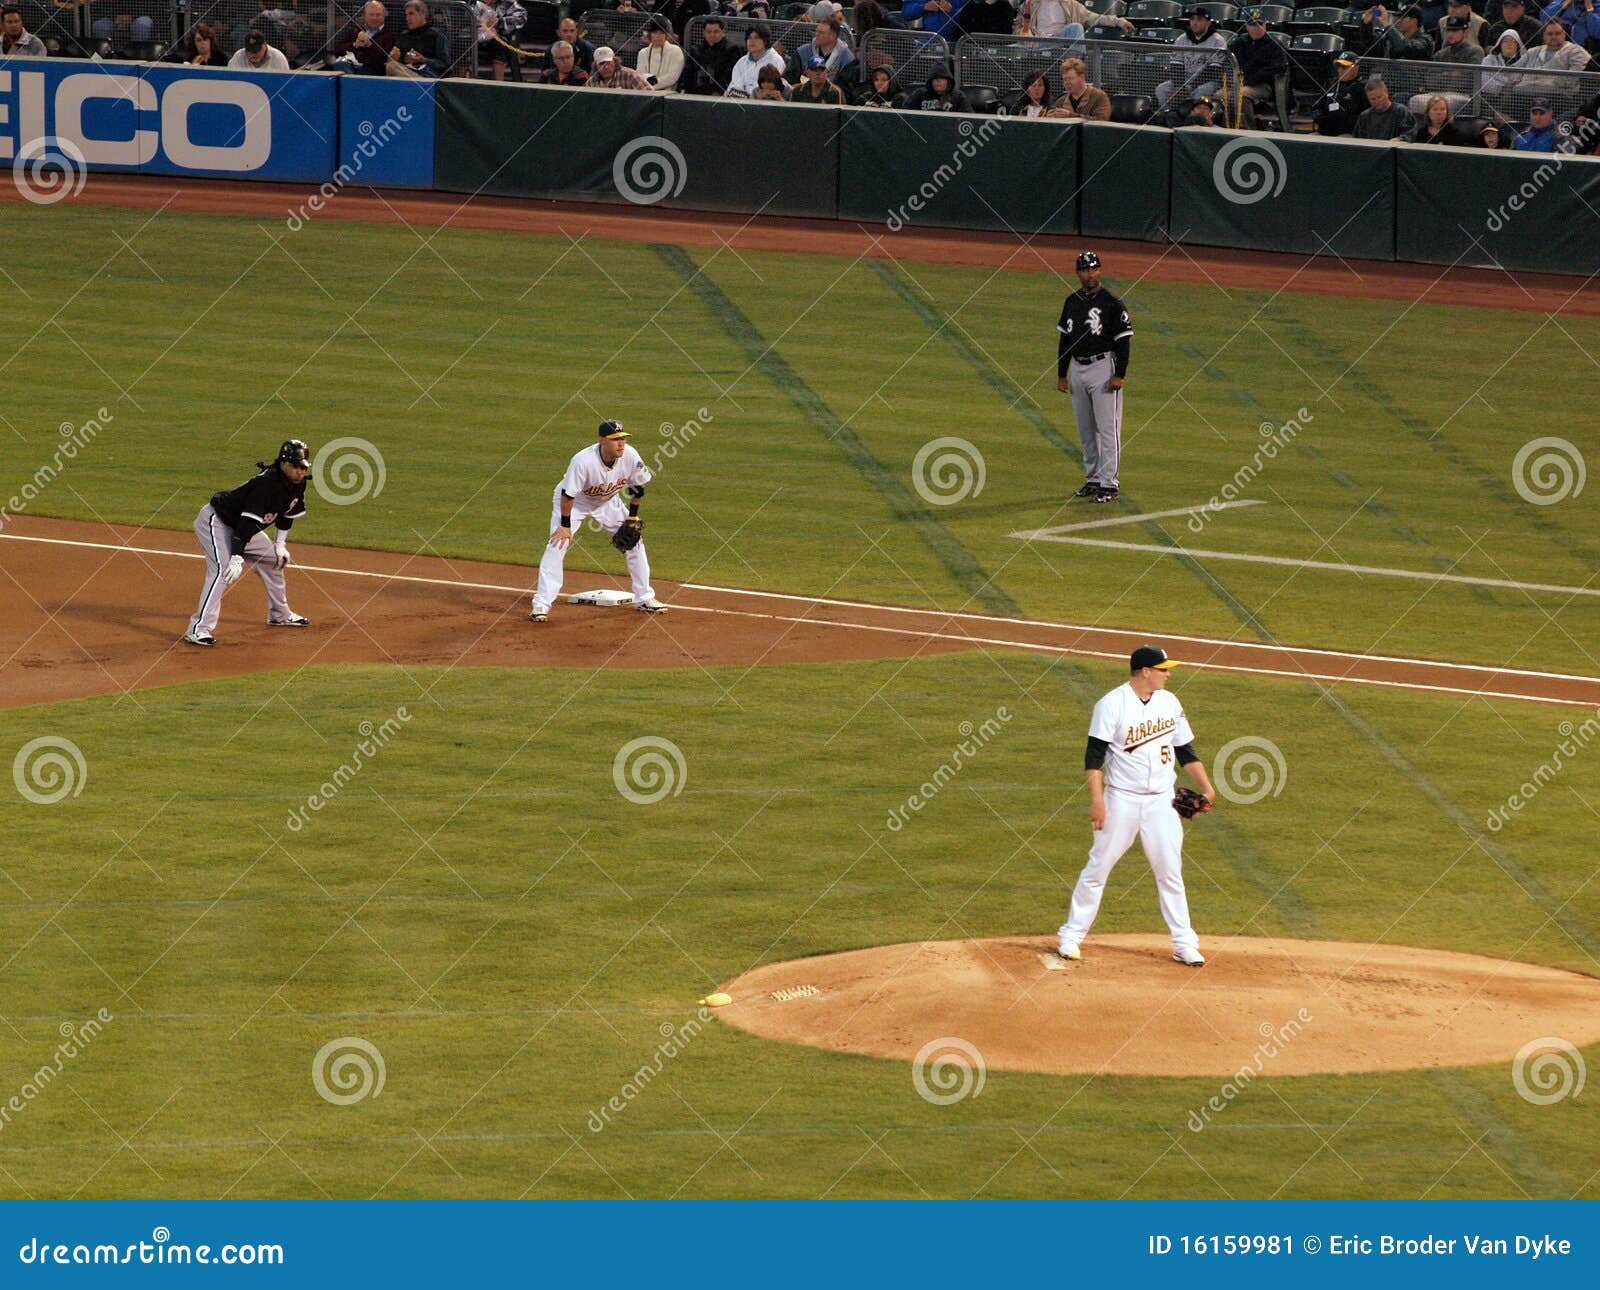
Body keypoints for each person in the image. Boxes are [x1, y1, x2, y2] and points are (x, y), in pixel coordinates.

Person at [1055, 645, 1215, 968]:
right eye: (1163, 669)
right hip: (1121, 800)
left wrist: (1208, 787)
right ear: (1145, 671)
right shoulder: (1112, 705)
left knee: (1170, 871)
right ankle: (1071, 935)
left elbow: (1185, 751)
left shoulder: (1170, 702)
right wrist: (1098, 800)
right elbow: (1094, 756)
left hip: (1161, 801)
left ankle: (1184, 943)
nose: (1168, 674)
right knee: (1098, 867)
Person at [530, 422, 667, 622]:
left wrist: (632, 517)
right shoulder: (583, 461)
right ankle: (541, 604)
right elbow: (568, 496)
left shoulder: (630, 455)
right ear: (602, 441)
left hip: (608, 501)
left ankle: (645, 598)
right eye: (615, 439)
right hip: (575, 503)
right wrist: (565, 526)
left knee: (634, 542)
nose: (621, 443)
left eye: (623, 438)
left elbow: (638, 486)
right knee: (557, 545)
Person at [184, 441, 314, 647]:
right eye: (297, 466)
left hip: (242, 529)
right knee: (223, 570)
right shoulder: (266, 485)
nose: (301, 471)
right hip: (217, 521)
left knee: (273, 560)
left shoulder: (297, 484)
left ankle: (279, 615)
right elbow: (245, 525)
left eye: (304, 467)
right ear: (283, 463)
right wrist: (236, 557)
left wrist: (280, 544)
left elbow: (287, 514)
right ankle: (198, 629)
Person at [1056, 250, 1131, 503]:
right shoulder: (1072, 301)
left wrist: (1119, 374)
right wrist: (1061, 374)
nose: (1090, 274)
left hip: (1103, 368)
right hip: (1077, 368)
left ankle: (1109, 484)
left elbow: (1124, 341)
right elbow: (1065, 339)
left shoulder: (1112, 302)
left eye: (1094, 268)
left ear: (1100, 271)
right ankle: (1093, 479)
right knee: (1086, 429)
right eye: (1086, 269)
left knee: (1108, 429)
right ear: (1078, 273)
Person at [1228, 9, 1290, 129]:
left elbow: (1280, 68)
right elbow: (1227, 58)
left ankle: (1250, 130)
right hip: (1240, 83)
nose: (1256, 28)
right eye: (1252, 25)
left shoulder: (1274, 44)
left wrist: (1251, 79)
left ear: (1265, 25)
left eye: (1259, 24)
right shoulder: (1240, 42)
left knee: (1241, 94)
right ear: (1246, 26)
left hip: (1265, 86)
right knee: (1220, 94)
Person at [1156, 8, 1228, 110]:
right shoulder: (1182, 39)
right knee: (1162, 89)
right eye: (1192, 19)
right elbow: (1176, 65)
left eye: (1199, 19)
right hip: (1184, 79)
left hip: (1209, 80)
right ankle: (1169, 114)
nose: (1194, 23)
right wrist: (1179, 87)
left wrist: (1191, 86)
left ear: (1208, 23)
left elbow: (1214, 70)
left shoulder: (1218, 41)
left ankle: (1195, 118)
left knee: (1201, 91)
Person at [334, 0, 397, 73]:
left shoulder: (389, 35)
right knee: (341, 64)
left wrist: (369, 45)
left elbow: (385, 59)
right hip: (351, 67)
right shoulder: (356, 31)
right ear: (364, 16)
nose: (374, 18)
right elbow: (337, 50)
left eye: (378, 14)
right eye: (371, 15)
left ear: (383, 16)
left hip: (374, 71)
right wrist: (354, 45)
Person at [388, 1, 448, 77]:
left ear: (423, 14)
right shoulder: (404, 35)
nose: (407, 18)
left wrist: (424, 60)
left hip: (428, 77)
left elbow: (445, 64)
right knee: (391, 64)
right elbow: (397, 61)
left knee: (392, 67)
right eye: (406, 15)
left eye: (411, 14)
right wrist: (394, 57)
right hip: (406, 73)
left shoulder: (437, 35)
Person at [1314, 54, 1367, 134]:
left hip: (1347, 133)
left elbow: (1365, 115)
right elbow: (1318, 107)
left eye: (1344, 67)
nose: (1340, 70)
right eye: (1339, 67)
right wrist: (1319, 117)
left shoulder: (1363, 87)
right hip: (1325, 131)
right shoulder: (1331, 84)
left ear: (1356, 68)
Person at [1021, 0, 1133, 37]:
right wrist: (1026, 36)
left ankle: (1075, 68)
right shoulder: (1029, 4)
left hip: (1060, 40)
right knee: (1008, 48)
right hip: (1037, 40)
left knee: (1076, 27)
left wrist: (1118, 21)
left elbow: (1094, 18)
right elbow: (1018, 28)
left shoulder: (1072, 5)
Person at [727, 24, 786, 94]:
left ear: (765, 41)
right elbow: (735, 86)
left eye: (756, 38)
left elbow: (775, 87)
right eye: (749, 38)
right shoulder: (741, 62)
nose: (752, 41)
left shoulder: (776, 60)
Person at [474, 0, 526, 80]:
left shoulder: (508, 3)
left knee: (500, 49)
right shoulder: (474, 3)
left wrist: (499, 23)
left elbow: (521, 17)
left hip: (496, 37)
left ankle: (498, 86)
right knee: (461, 44)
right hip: (473, 36)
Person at [1523, 16, 1593, 74]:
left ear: (1564, 34)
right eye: (1550, 34)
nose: (1553, 37)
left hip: (1556, 90)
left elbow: (1574, 78)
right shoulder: (1532, 52)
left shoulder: (1577, 52)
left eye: (1558, 33)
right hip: (1521, 90)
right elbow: (1513, 71)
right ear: (1543, 36)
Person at [685, 17, 739, 92]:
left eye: (716, 31)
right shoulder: (695, 50)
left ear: (723, 32)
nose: (712, 34)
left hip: (720, 93)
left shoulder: (732, 50)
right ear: (704, 33)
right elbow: (688, 74)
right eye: (709, 32)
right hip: (696, 91)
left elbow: (728, 77)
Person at [1364, 5, 1435, 58]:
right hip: (1389, 77)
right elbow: (1370, 44)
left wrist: (1386, 24)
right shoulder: (1391, 37)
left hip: (1413, 77)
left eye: (1402, 18)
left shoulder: (1425, 40)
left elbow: (1402, 47)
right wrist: (1367, 25)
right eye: (1398, 18)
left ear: (1414, 21)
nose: (1398, 21)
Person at [636, 24, 685, 88]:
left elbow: (672, 77)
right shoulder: (643, 52)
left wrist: (650, 85)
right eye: (655, 33)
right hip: (645, 90)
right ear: (650, 35)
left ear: (666, 35)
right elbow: (640, 74)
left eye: (661, 33)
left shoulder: (675, 51)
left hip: (668, 92)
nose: (658, 36)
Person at [164, 22, 228, 65]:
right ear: (194, 43)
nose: (203, 43)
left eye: (205, 39)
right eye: (199, 40)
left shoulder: (222, 58)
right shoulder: (190, 59)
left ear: (210, 40)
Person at [902, 0, 966, 36]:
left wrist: (952, 11)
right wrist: (924, 7)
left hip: (958, 42)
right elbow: (906, 13)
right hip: (929, 40)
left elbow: (972, 17)